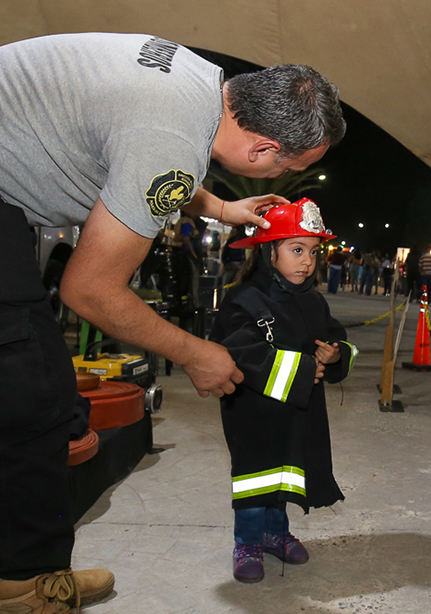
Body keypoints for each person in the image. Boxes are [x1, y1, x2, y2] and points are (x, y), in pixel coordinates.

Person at [0, 33, 345, 611]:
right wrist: (195, 352)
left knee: (43, 399)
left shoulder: (201, 86)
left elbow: (157, 165)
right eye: (288, 163)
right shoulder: (168, 137)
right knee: (31, 397)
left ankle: (21, 572)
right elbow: (87, 289)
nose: (277, 174)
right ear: (264, 148)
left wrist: (218, 207)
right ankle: (23, 588)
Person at [208, 199, 357, 583]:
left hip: (298, 412)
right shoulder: (241, 301)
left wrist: (336, 353)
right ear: (268, 252)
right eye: (296, 250)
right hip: (253, 413)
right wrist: (308, 369)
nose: (307, 261)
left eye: (312, 251)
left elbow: (334, 334)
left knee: (286, 473)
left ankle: (276, 534)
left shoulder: (312, 299)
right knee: (256, 477)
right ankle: (247, 542)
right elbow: (241, 354)